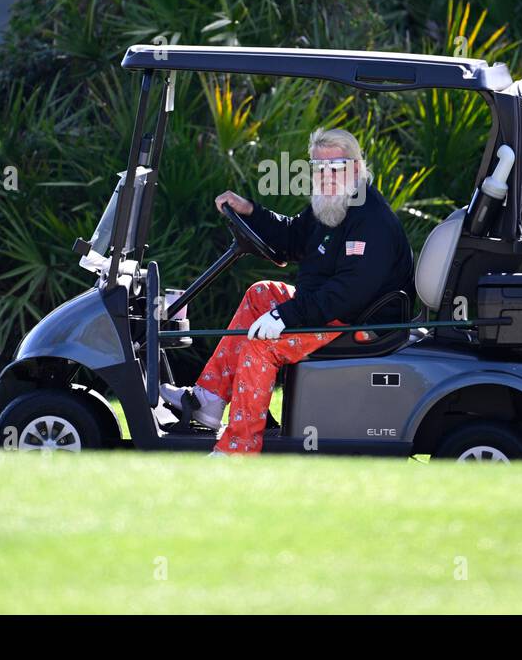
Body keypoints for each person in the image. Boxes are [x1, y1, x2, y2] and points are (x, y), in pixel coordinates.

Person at [160, 127, 414, 455]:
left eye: (333, 167)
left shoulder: (371, 220)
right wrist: (251, 211)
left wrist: (286, 314)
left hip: (358, 321)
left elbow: (348, 293)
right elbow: (294, 237)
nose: (325, 175)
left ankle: (238, 450)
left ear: (354, 168)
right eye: (318, 168)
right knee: (260, 293)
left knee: (261, 346)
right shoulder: (333, 205)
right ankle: (208, 400)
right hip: (328, 308)